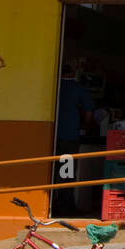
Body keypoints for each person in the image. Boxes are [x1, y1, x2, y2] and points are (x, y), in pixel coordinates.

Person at [54, 65, 94, 214]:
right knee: (66, 173)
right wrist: (84, 127)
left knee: (50, 173)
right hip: (69, 138)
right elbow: (89, 113)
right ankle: (66, 206)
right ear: (72, 73)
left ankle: (51, 204)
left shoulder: (53, 86)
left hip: (49, 137)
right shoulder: (78, 88)